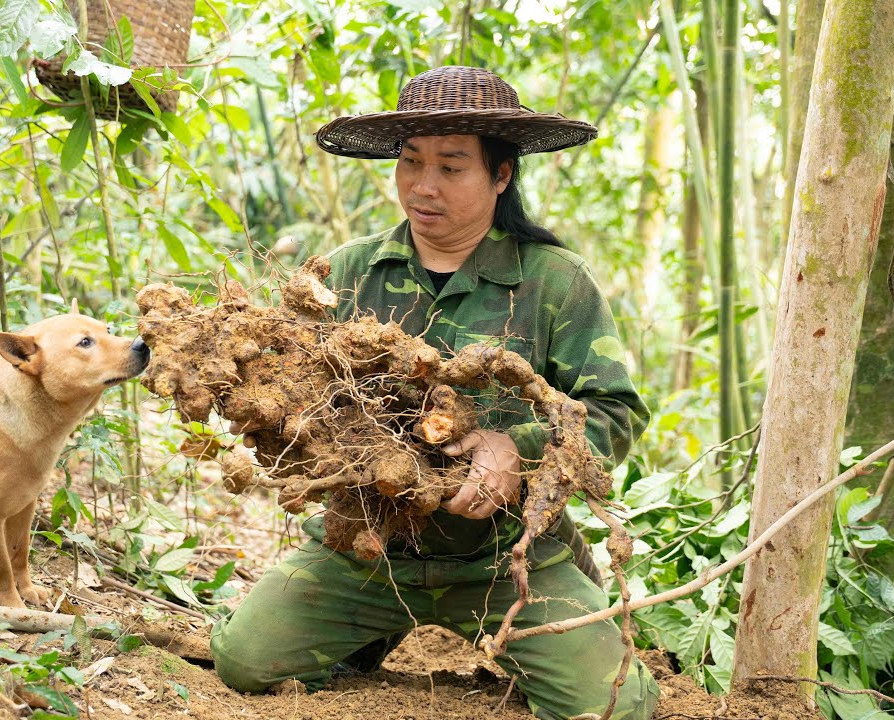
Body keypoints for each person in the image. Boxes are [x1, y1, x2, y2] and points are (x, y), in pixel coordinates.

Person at [210, 66, 658, 720]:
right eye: (411, 161)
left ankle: (565, 595)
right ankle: (370, 626)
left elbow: (617, 412)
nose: (423, 185)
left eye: (451, 167)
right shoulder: (350, 271)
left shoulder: (555, 282)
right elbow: (291, 387)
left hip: (504, 558)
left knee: (618, 708)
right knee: (244, 661)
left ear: (501, 175)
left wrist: (518, 447)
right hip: (368, 549)